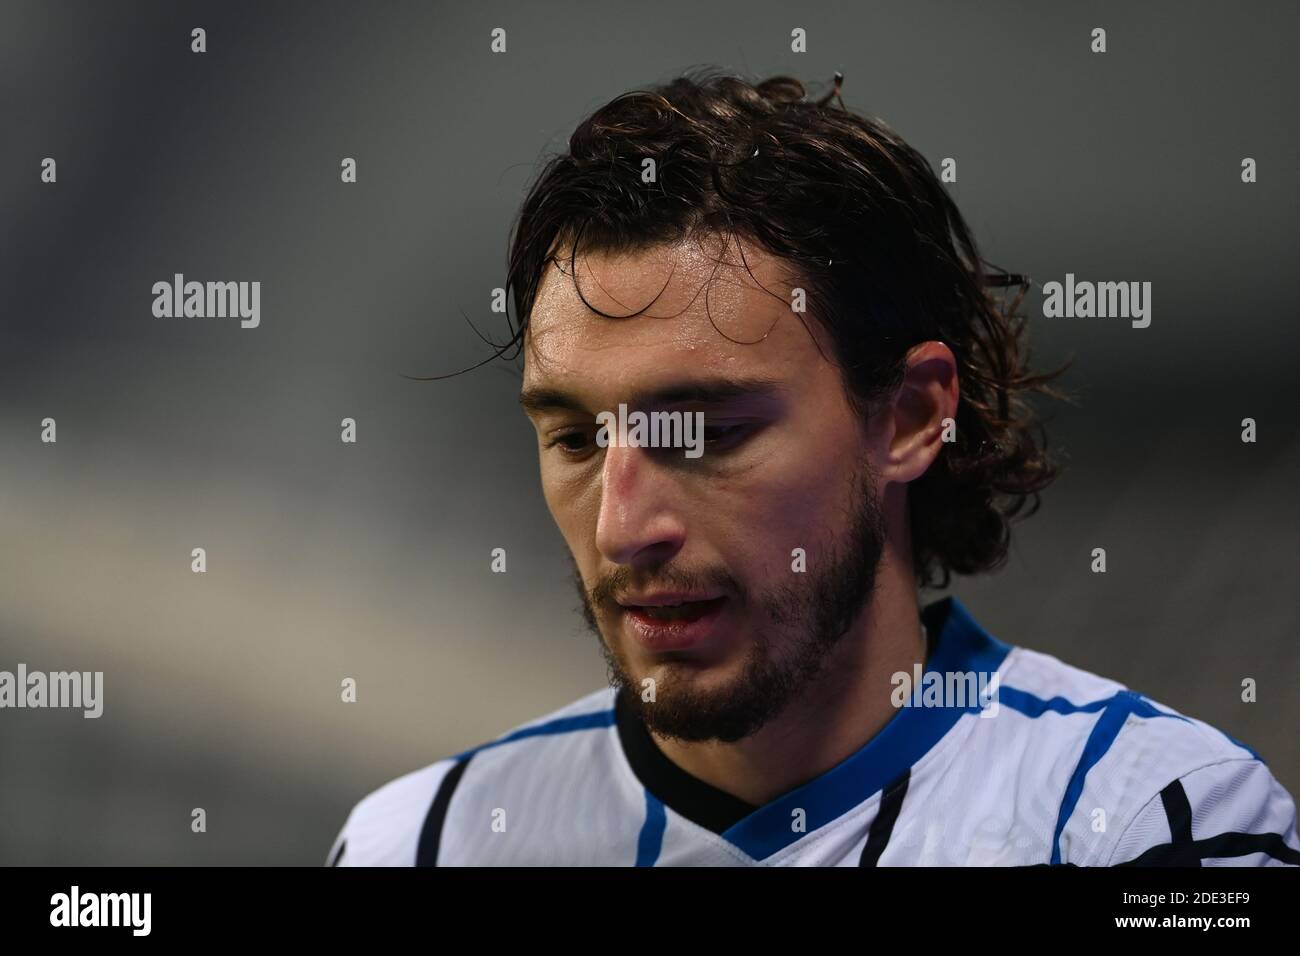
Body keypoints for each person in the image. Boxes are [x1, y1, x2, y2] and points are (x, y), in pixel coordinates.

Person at [328, 69, 1298, 866]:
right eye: (577, 438)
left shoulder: (1156, 828)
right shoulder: (416, 844)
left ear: (913, 416)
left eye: (702, 431)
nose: (624, 527)